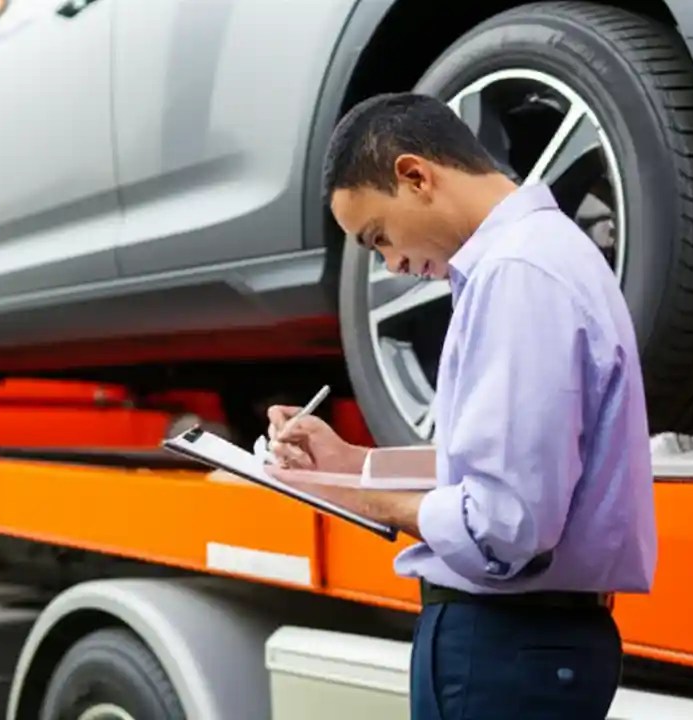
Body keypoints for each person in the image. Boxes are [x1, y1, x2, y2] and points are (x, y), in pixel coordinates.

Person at [266, 92, 657, 719]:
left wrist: (348, 494)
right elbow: (501, 472)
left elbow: (505, 524)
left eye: (378, 237)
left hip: (503, 643)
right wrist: (354, 463)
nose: (391, 263)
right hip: (525, 644)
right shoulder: (541, 256)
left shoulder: (518, 275)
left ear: (416, 176)